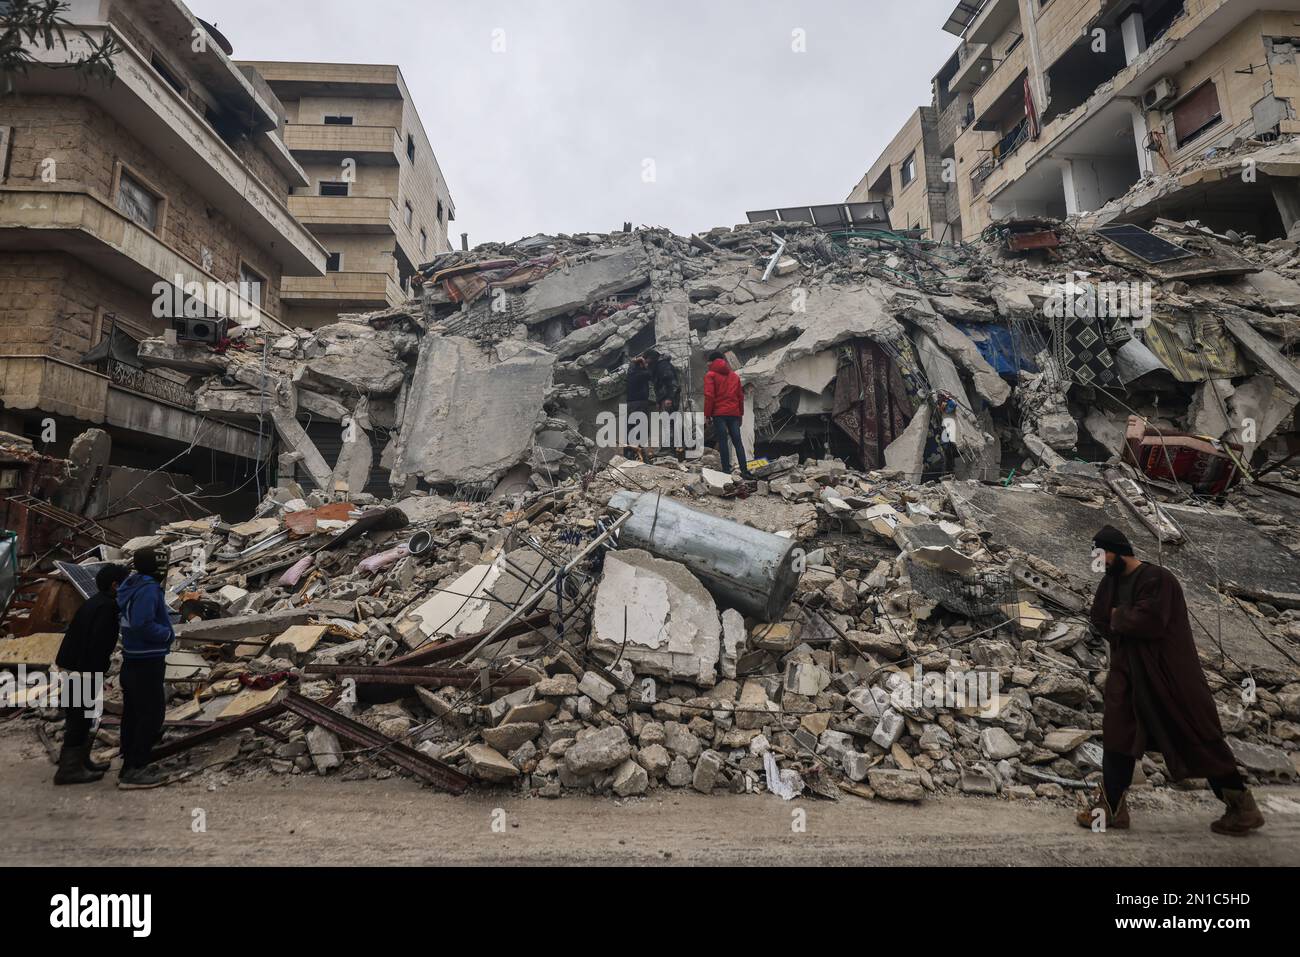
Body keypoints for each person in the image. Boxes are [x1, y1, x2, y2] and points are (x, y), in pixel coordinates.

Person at [1079, 524, 1264, 835]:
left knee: (1197, 738)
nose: (1102, 562)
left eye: (1104, 555)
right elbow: (1099, 617)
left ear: (1119, 552)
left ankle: (1241, 807)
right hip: (1128, 675)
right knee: (1117, 737)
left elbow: (1150, 621)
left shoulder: (1158, 579)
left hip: (1170, 677)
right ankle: (1111, 810)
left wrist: (1118, 617)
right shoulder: (1109, 582)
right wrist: (1117, 619)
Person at [52, 563, 129, 785]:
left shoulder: (97, 602)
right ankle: (69, 770)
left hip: (75, 666)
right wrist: (96, 672)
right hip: (82, 669)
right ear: (115, 585)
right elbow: (96, 644)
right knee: (79, 718)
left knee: (84, 717)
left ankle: (81, 761)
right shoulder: (106, 608)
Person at [116, 548, 175, 789]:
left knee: (133, 713)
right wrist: (166, 635)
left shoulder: (130, 585)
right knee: (151, 714)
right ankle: (135, 769)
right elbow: (143, 623)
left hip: (132, 657)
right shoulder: (149, 589)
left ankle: (129, 760)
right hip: (147, 658)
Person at [704, 351, 752, 479]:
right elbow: (740, 397)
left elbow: (709, 396)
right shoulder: (734, 376)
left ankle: (726, 471)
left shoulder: (710, 375)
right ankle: (745, 471)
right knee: (738, 442)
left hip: (719, 414)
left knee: (723, 441)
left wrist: (707, 415)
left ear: (712, 361)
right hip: (734, 414)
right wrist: (740, 414)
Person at [648, 350, 683, 459]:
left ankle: (669, 450)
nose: (647, 363)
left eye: (647, 359)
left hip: (668, 399)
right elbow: (659, 385)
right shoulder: (659, 366)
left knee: (669, 424)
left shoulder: (663, 366)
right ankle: (669, 449)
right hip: (664, 399)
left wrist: (669, 398)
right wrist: (659, 401)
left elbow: (671, 383)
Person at [624, 353, 654, 461]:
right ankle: (635, 454)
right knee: (640, 429)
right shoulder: (639, 373)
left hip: (633, 404)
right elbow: (651, 375)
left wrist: (635, 362)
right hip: (639, 404)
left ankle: (632, 453)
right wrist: (645, 365)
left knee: (633, 429)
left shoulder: (632, 372)